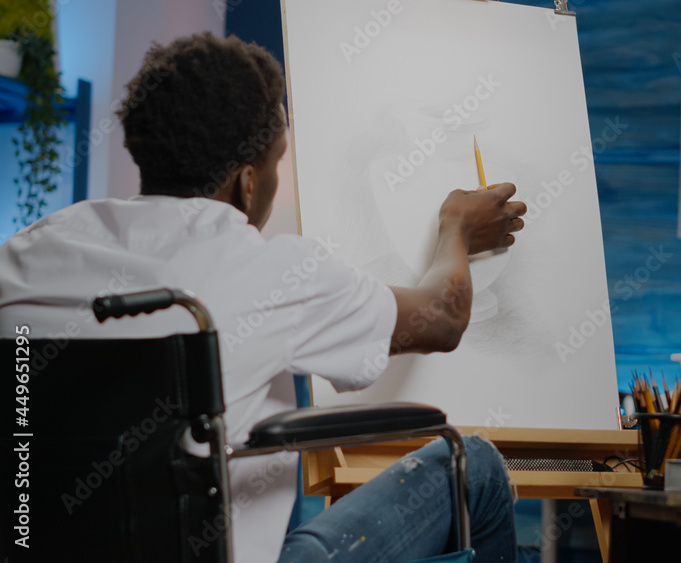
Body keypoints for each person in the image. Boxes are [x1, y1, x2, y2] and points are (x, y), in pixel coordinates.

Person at [0, 33, 527, 563]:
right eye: (278, 161)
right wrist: (456, 227)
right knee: (473, 466)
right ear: (248, 182)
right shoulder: (275, 272)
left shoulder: (25, 256)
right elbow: (443, 317)